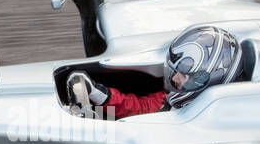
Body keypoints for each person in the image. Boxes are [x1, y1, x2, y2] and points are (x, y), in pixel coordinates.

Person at [66, 25, 244, 119]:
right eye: (175, 71)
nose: (174, 78)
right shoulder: (168, 101)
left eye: (184, 76)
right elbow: (136, 108)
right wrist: (97, 93)